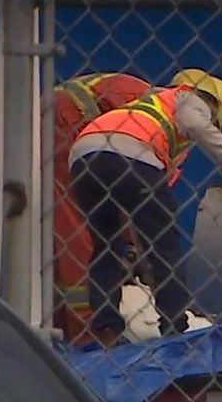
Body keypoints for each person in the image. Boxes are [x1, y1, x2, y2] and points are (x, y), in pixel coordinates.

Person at [68, 68, 222, 347]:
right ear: (216, 107)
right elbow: (197, 124)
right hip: (132, 155)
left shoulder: (148, 106)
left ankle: (106, 327)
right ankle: (174, 328)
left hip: (83, 159)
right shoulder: (189, 99)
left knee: (106, 246)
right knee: (164, 245)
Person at [53, 72, 153, 292]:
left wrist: (130, 245)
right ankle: (91, 317)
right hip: (71, 122)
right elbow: (141, 196)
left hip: (54, 116)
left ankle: (63, 315)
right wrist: (136, 249)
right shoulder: (165, 123)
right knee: (82, 229)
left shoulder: (143, 95)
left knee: (57, 226)